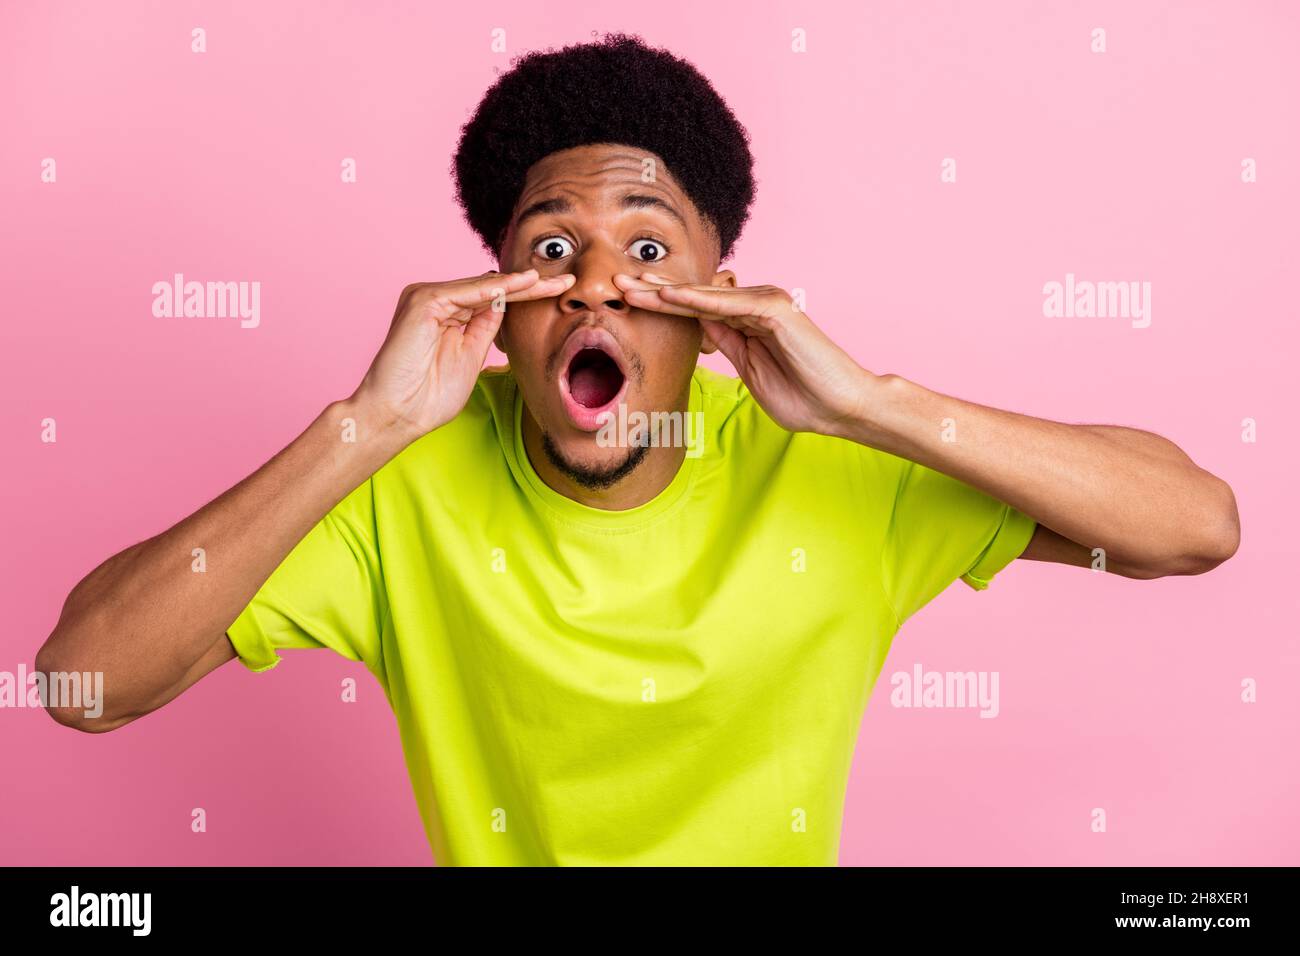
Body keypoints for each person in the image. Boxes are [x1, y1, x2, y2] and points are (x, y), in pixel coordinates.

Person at [37, 33, 1239, 866]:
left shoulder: (827, 464)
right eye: (552, 249)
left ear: (721, 303)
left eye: (651, 252)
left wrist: (874, 404)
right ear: (499, 304)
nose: (599, 281)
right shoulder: (396, 484)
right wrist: (367, 425)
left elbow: (1192, 525)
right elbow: (79, 682)